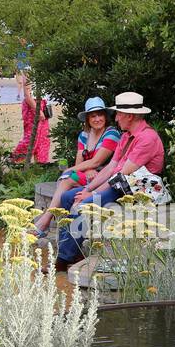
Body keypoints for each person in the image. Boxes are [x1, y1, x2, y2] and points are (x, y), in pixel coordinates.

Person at [53, 91, 164, 272]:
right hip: (119, 186)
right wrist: (88, 187)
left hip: (134, 191)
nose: (116, 118)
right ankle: (76, 252)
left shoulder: (147, 138)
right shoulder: (126, 136)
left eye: (118, 114)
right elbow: (110, 168)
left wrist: (92, 194)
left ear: (129, 116)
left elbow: (121, 175)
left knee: (85, 204)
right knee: (68, 197)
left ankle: (62, 260)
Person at [28, 96, 118, 238]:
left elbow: (97, 162)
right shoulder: (84, 135)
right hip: (88, 175)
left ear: (106, 116)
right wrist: (87, 169)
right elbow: (79, 163)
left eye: (100, 114)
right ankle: (53, 224)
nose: (97, 119)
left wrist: (72, 169)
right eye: (93, 116)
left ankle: (45, 221)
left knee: (67, 177)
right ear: (87, 119)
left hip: (103, 178)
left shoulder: (111, 133)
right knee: (66, 179)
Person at [10, 70, 51, 164]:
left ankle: (41, 163)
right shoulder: (28, 71)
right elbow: (27, 95)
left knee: (44, 138)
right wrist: (38, 110)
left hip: (42, 103)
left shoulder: (43, 69)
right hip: (33, 105)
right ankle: (16, 159)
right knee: (32, 137)